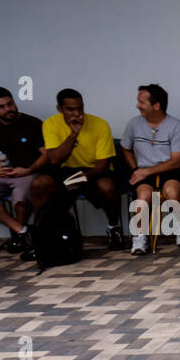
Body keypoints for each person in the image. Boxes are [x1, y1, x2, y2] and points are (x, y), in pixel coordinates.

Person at [33, 88, 123, 248]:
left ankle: (113, 227)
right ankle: (44, 233)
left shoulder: (100, 124)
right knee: (39, 183)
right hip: (64, 171)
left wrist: (82, 178)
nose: (77, 113)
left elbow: (102, 164)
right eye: (70, 109)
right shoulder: (50, 124)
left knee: (107, 187)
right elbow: (54, 160)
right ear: (60, 109)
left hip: (93, 171)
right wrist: (73, 134)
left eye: (80, 108)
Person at [120, 83, 180, 255]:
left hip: (170, 171)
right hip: (144, 171)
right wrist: (136, 168)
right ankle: (140, 236)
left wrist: (145, 171)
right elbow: (125, 148)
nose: (137, 106)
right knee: (143, 195)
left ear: (156, 106)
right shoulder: (133, 124)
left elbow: (177, 161)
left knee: (171, 191)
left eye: (142, 102)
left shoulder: (175, 126)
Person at [0, 86, 45, 251]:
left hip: (28, 173)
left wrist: (28, 170)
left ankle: (20, 238)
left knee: (20, 197)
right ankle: (22, 231)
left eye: (10, 104)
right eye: (2, 106)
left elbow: (46, 155)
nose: (8, 109)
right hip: (2, 175)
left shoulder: (33, 123)